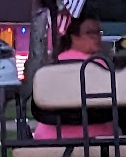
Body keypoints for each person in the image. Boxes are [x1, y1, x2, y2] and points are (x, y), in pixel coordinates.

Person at [33, 11, 115, 140]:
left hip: (50, 137)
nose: (98, 37)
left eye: (99, 32)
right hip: (94, 136)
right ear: (73, 36)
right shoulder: (97, 65)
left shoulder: (52, 67)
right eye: (91, 33)